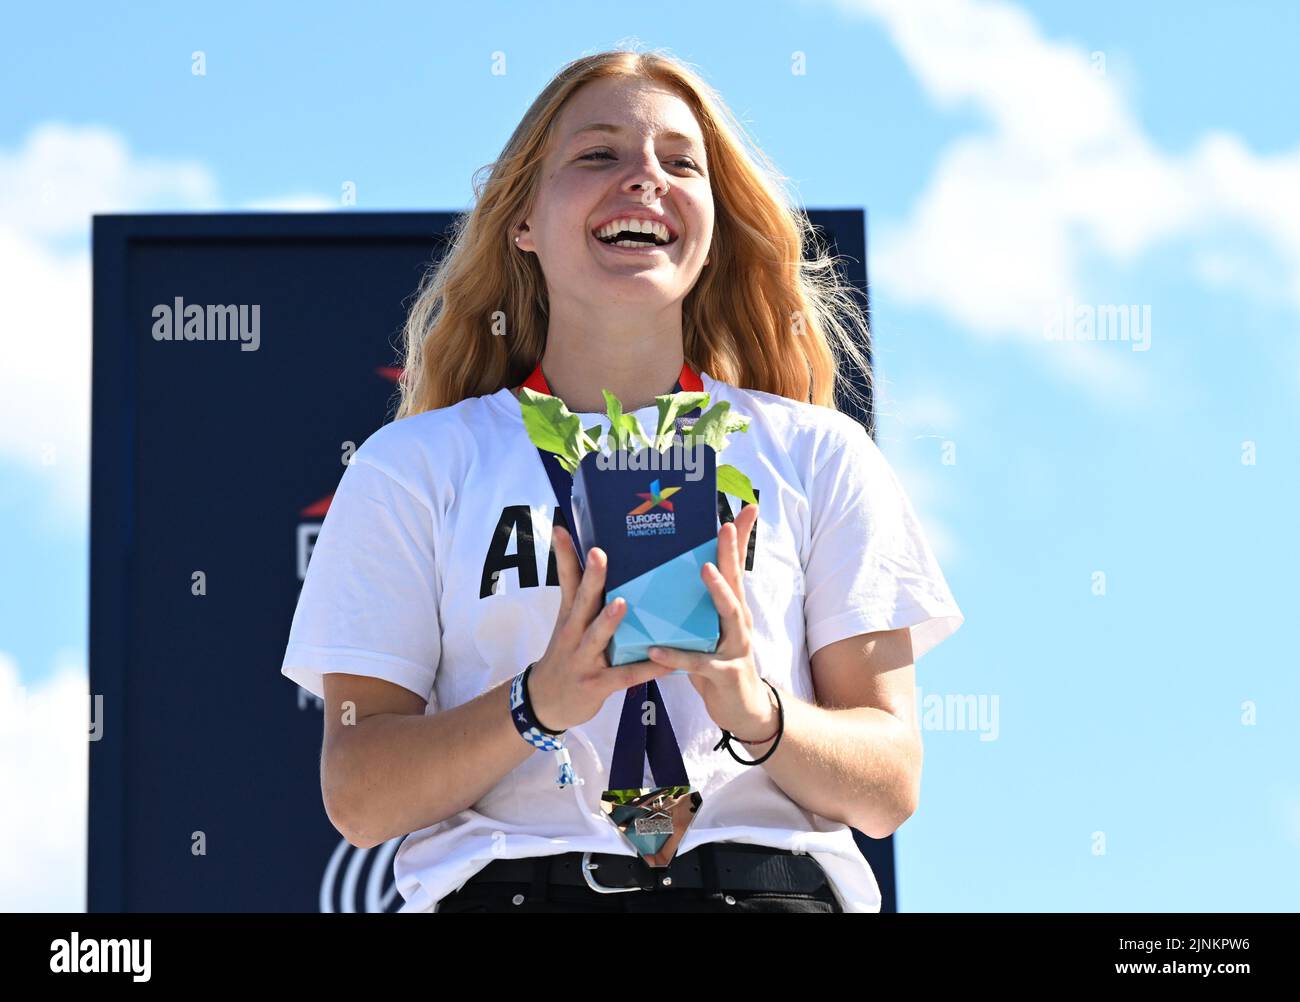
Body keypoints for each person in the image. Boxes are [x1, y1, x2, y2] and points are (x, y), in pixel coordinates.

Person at [279, 47, 964, 914]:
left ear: (711, 224)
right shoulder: (414, 468)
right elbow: (362, 794)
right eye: (598, 155)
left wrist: (755, 708)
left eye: (681, 163)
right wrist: (539, 702)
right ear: (523, 218)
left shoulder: (821, 455)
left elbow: (889, 785)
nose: (645, 179)